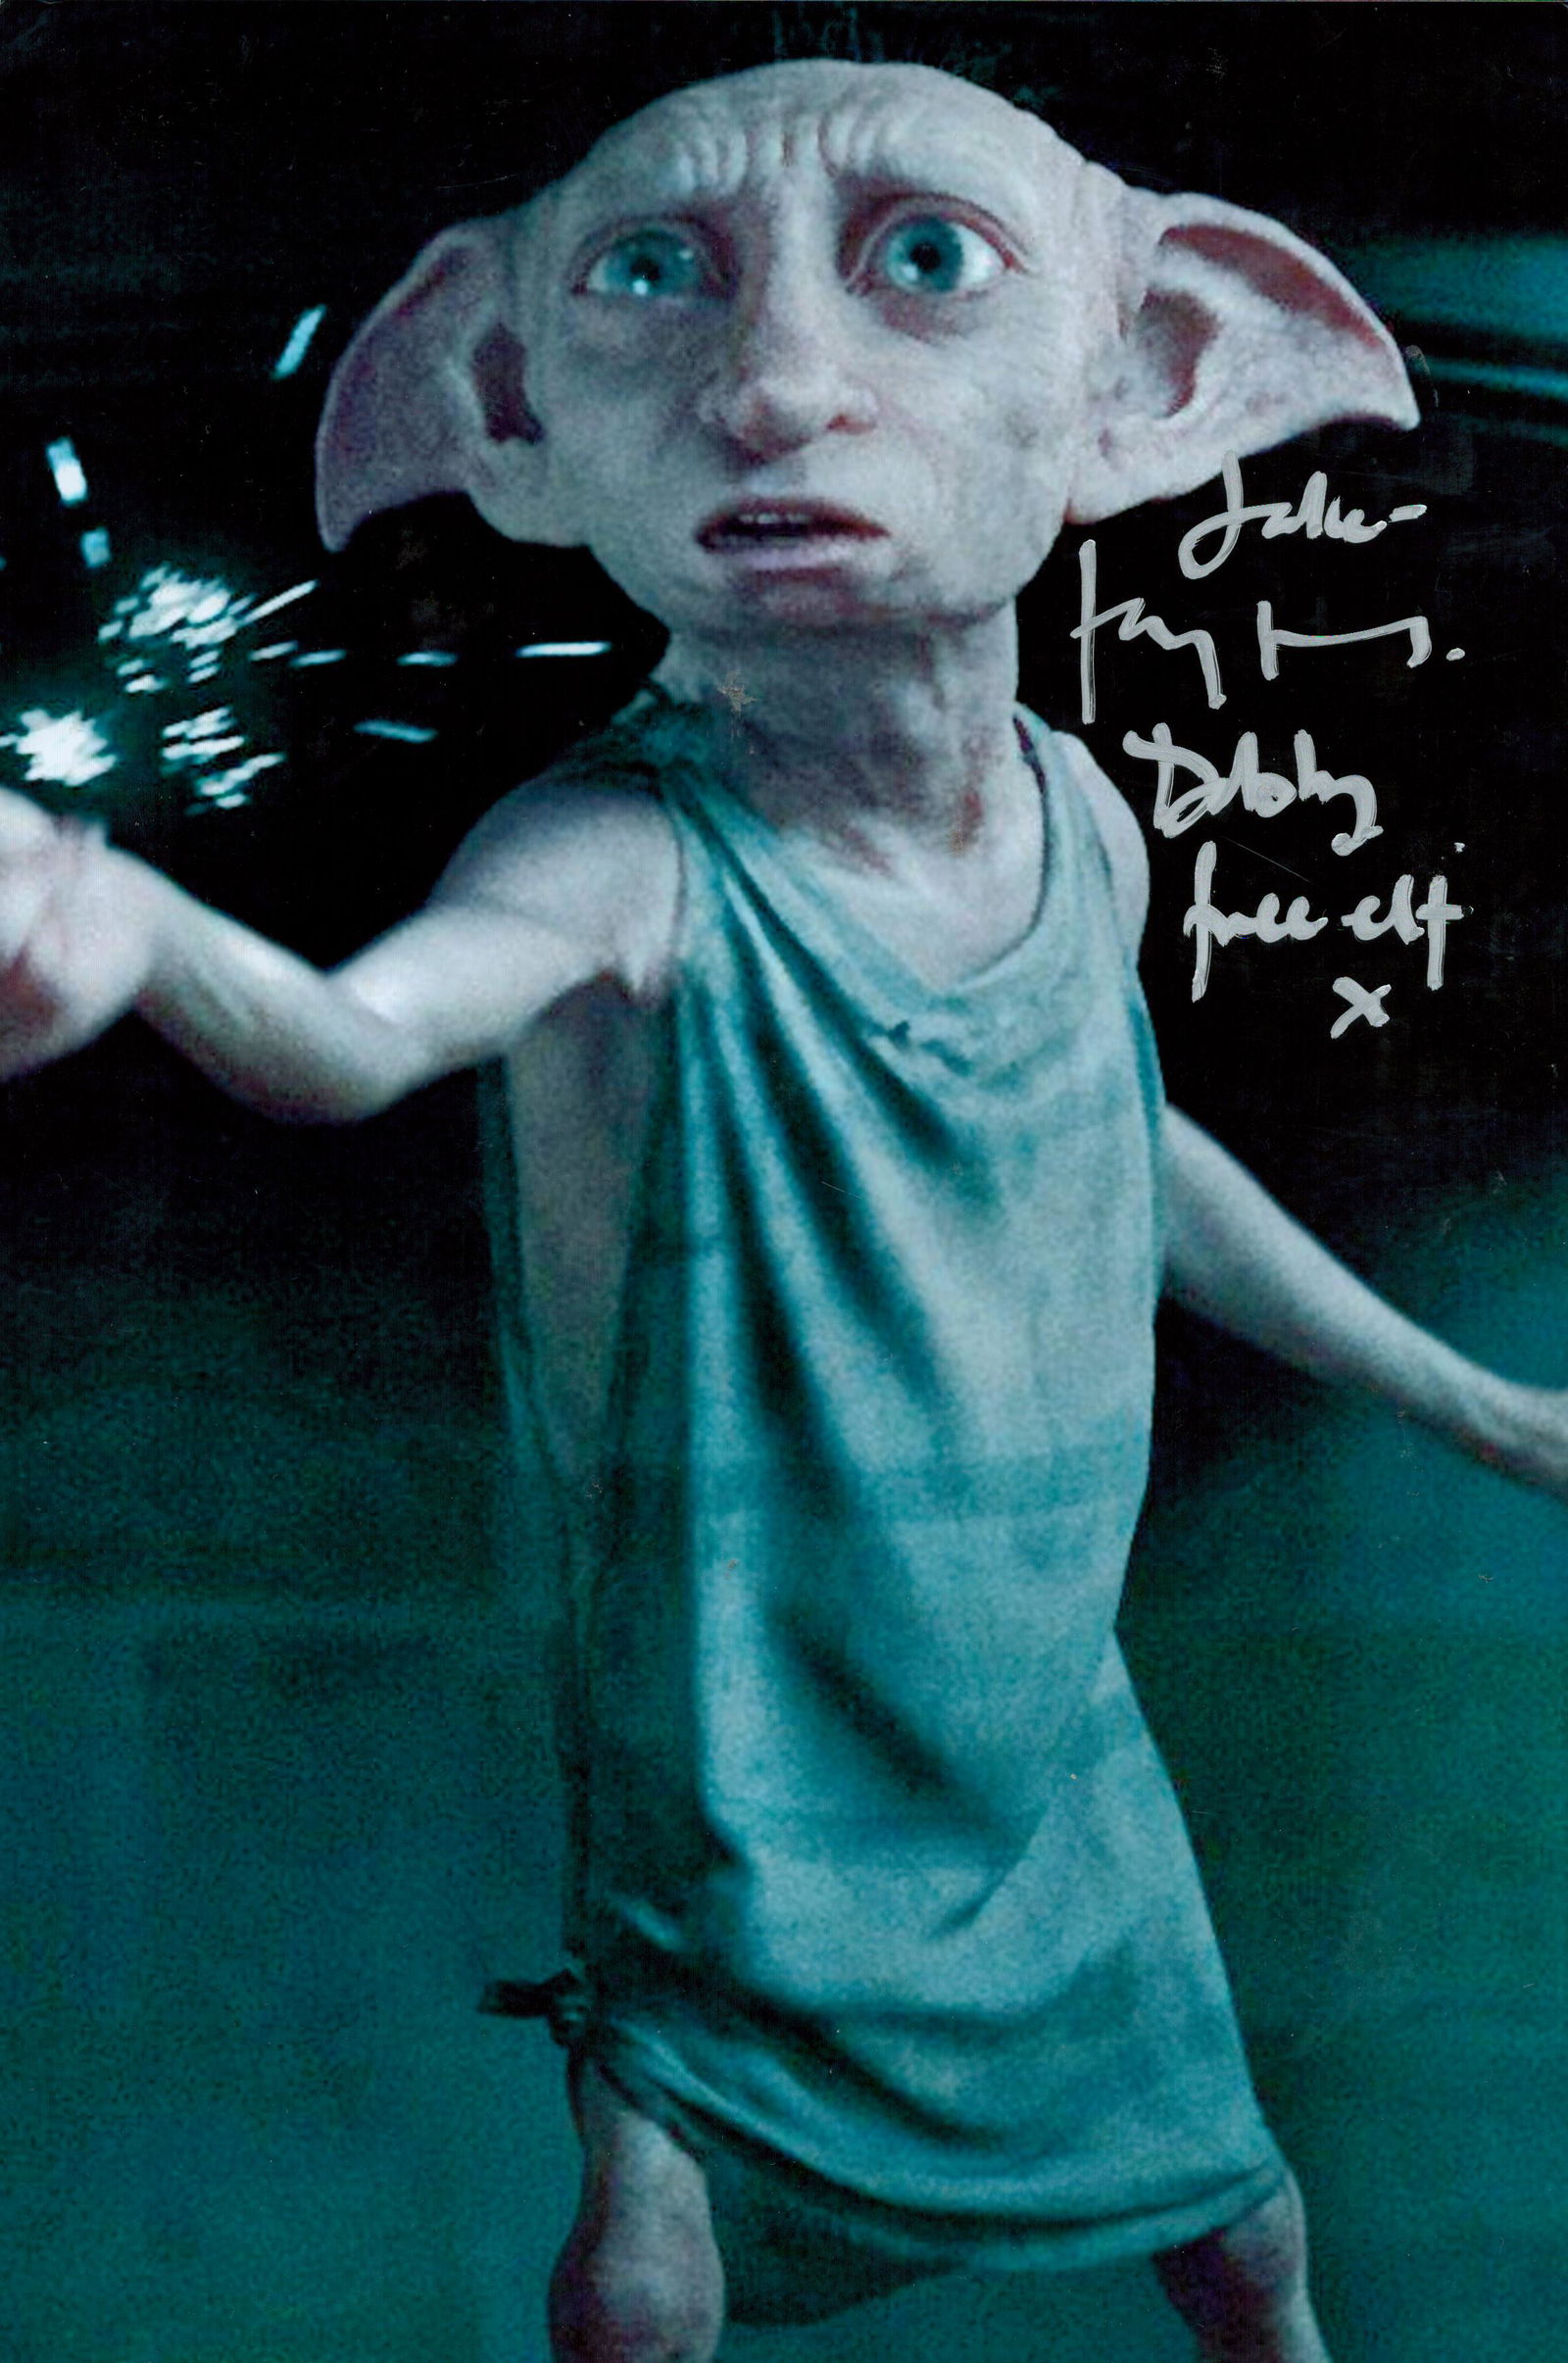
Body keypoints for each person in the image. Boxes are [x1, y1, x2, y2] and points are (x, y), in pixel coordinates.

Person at [2, 58, 1564, 2363]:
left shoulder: (1079, 818)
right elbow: (352, 1042)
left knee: (1236, 2231)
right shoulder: (614, 852)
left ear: (1152, 376)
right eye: (653, 280)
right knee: (654, 2245)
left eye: (926, 260)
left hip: (1039, 1721)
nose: (771, 388)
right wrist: (132, 927)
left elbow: (1106, 1156)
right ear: (508, 413)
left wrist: (1481, 1409)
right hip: (746, 1734)